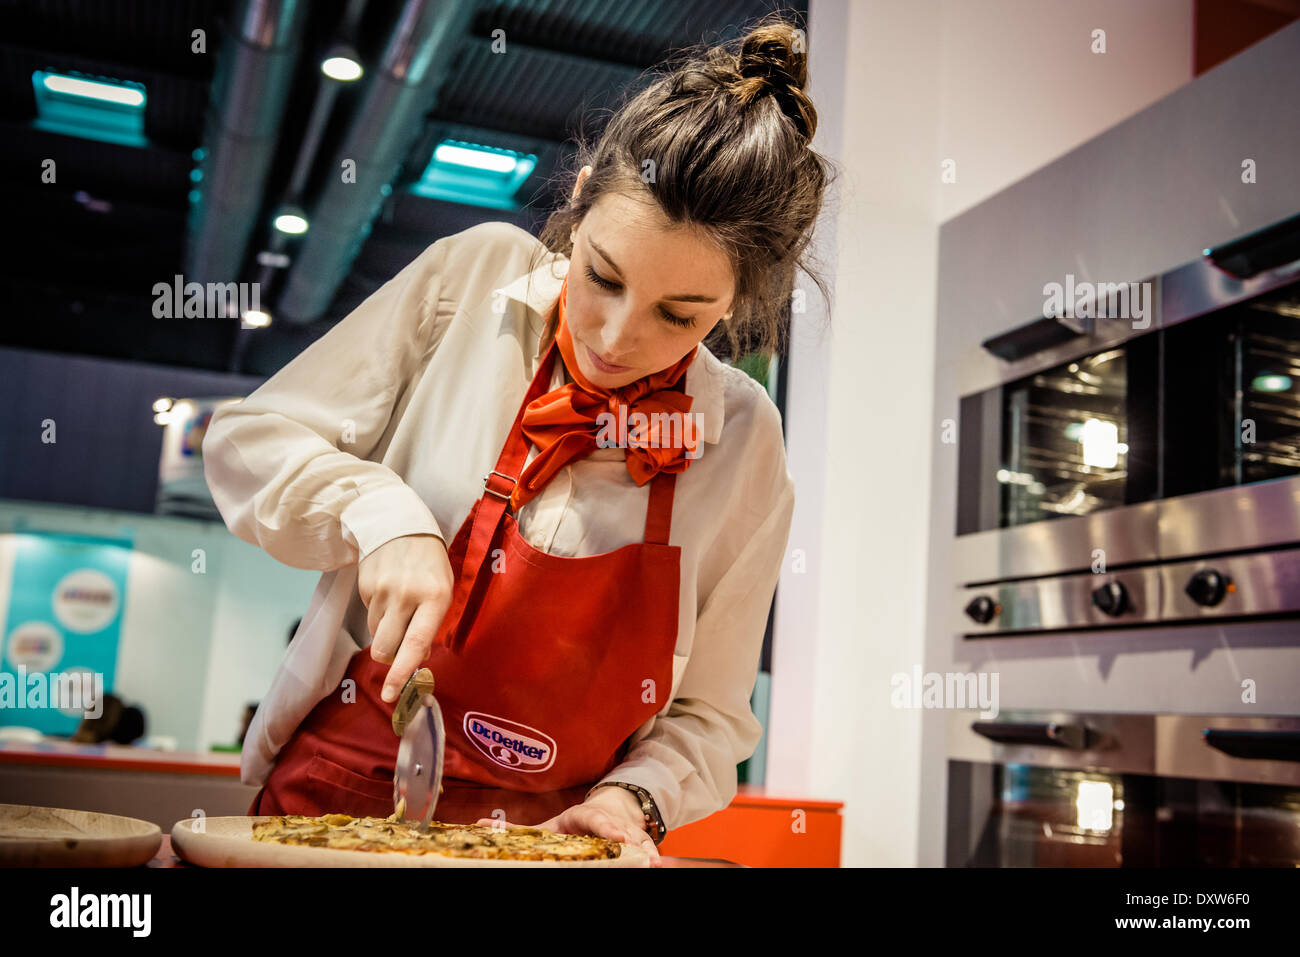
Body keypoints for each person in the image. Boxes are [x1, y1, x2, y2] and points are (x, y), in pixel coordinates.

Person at [202, 13, 831, 861]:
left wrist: (634, 798)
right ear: (577, 201)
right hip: (336, 806)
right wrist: (380, 512)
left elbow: (712, 714)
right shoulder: (473, 279)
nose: (612, 336)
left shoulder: (745, 438)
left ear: (737, 305)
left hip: (546, 846)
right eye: (601, 274)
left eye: (678, 316)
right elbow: (247, 440)